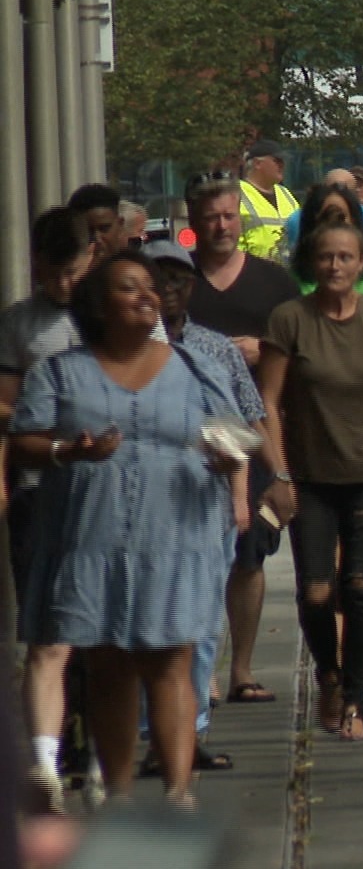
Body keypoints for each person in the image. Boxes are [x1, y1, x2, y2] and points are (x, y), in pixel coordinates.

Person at [8, 251, 247, 806]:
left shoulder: (195, 367)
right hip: (93, 537)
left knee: (171, 658)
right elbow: (24, 441)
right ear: (98, 304)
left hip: (177, 537)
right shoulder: (61, 372)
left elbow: (236, 435)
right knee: (108, 660)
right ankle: (117, 793)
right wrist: (69, 450)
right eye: (129, 287)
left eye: (150, 287)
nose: (147, 295)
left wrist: (227, 458)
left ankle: (177, 791)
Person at [257, 218, 363, 743]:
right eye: (326, 258)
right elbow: (268, 402)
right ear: (310, 264)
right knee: (318, 591)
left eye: (346, 257)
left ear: (362, 263)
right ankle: (329, 674)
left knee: (360, 586)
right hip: (311, 474)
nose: (336, 266)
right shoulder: (290, 320)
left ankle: (355, 702)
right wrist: (276, 471)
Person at [184, 177, 302, 708]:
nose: (222, 226)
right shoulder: (177, 282)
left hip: (256, 432)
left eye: (230, 216)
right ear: (193, 219)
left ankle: (244, 668)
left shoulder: (273, 283)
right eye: (211, 217)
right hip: (190, 435)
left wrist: (264, 348)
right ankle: (200, 667)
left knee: (248, 555)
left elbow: (304, 351)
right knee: (197, 556)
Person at [147, 239, 261, 778]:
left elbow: (245, 424)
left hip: (204, 505)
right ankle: (149, 735)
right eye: (157, 278)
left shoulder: (217, 349)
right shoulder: (119, 347)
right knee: (148, 621)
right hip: (142, 508)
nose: (168, 290)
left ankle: (190, 735)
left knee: (200, 620)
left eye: (178, 279)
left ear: (191, 285)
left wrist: (241, 494)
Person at [0, 208, 93, 808]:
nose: (62, 283)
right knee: (47, 627)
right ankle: (49, 755)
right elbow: (4, 402)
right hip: (39, 485)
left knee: (96, 629)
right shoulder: (18, 324)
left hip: (101, 489)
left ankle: (92, 740)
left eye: (72, 270)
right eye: (51, 271)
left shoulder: (108, 314)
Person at [286, 182, 363, 332]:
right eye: (326, 218)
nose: (333, 226)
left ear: (355, 222)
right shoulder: (291, 279)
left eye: (340, 217)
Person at [236, 140, 300, 264]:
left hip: (289, 276)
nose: (282, 165)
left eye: (283, 161)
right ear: (257, 163)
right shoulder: (236, 195)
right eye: (277, 161)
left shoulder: (285, 194)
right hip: (254, 275)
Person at [66, 184, 126, 256]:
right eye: (87, 232)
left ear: (120, 225)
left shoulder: (135, 266)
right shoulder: (59, 265)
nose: (97, 239)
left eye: (104, 229)